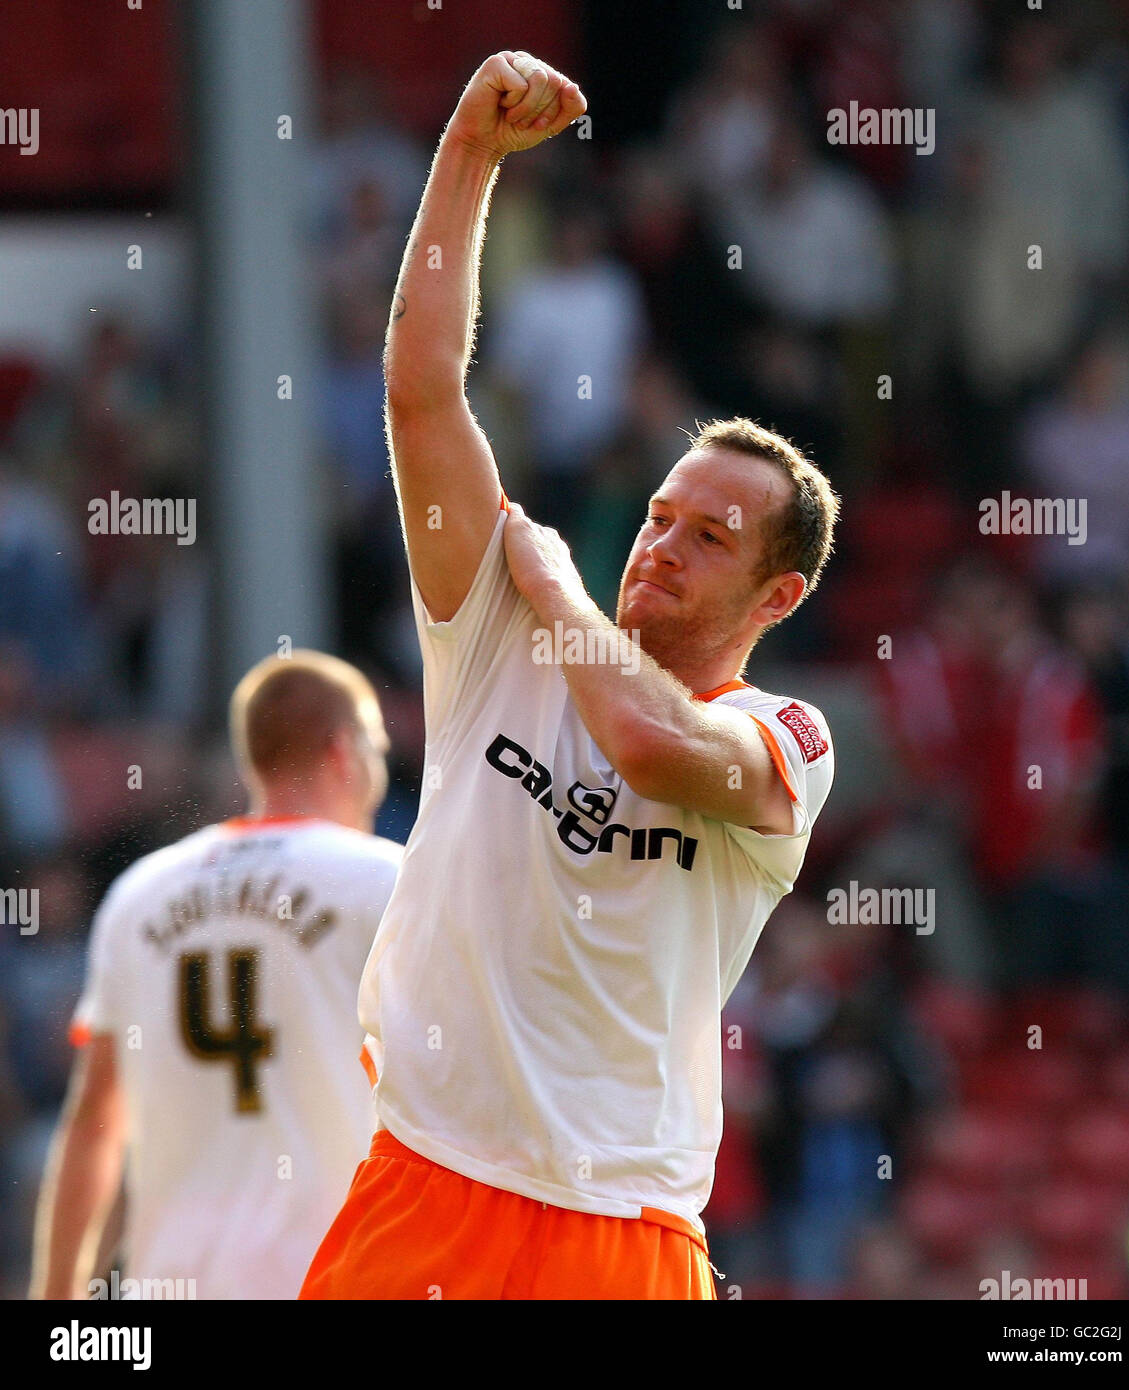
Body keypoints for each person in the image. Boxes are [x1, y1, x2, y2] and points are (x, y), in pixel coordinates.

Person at [301, 51, 839, 1302]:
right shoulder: (495, 639)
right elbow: (421, 393)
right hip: (426, 1179)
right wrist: (468, 155)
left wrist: (553, 590)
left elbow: (651, 750)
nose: (662, 543)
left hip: (620, 1224)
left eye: (709, 537)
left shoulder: (786, 737)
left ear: (777, 596)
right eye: (660, 513)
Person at [30, 650, 403, 1300]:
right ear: (344, 750)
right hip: (332, 1278)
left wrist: (57, 1300)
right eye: (375, 749)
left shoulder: (139, 893)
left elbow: (93, 1124)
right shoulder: (388, 881)